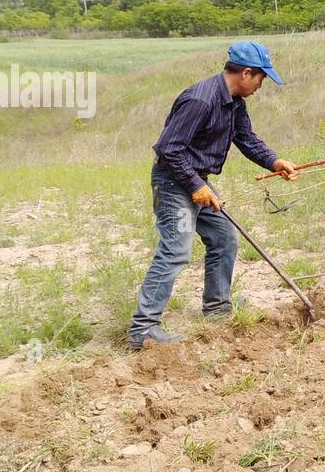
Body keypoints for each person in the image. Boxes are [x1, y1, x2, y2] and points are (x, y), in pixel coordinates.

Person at [127, 41, 299, 350]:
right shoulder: (200, 100)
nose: (261, 85)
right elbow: (168, 149)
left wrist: (274, 161)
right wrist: (196, 187)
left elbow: (246, 139)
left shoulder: (234, 102)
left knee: (223, 238)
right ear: (246, 73)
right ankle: (143, 329)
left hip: (196, 182)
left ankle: (217, 309)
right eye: (261, 78)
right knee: (176, 250)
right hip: (173, 183)